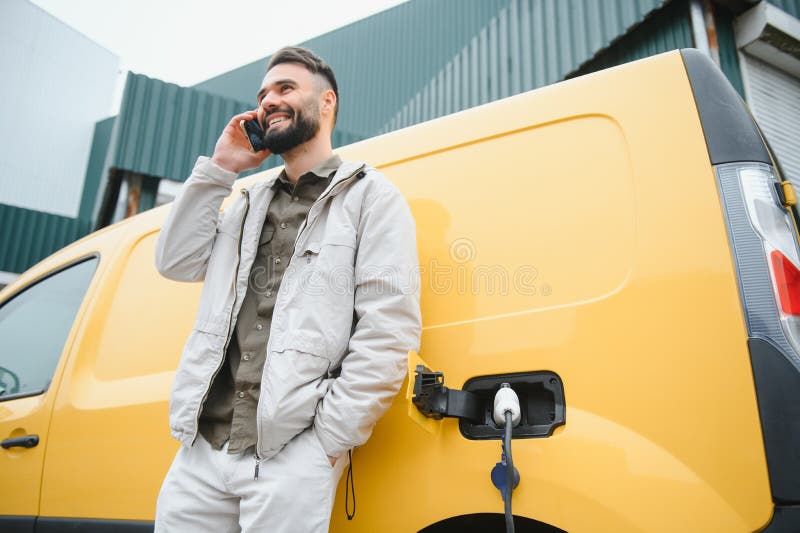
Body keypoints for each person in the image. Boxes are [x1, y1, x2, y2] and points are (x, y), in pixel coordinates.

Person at [153, 46, 421, 532]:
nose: (267, 101)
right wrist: (221, 167)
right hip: (200, 455)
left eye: (285, 89)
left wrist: (327, 441)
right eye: (262, 95)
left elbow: (389, 330)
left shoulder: (372, 198)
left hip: (290, 457)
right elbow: (176, 262)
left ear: (327, 103)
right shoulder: (243, 202)